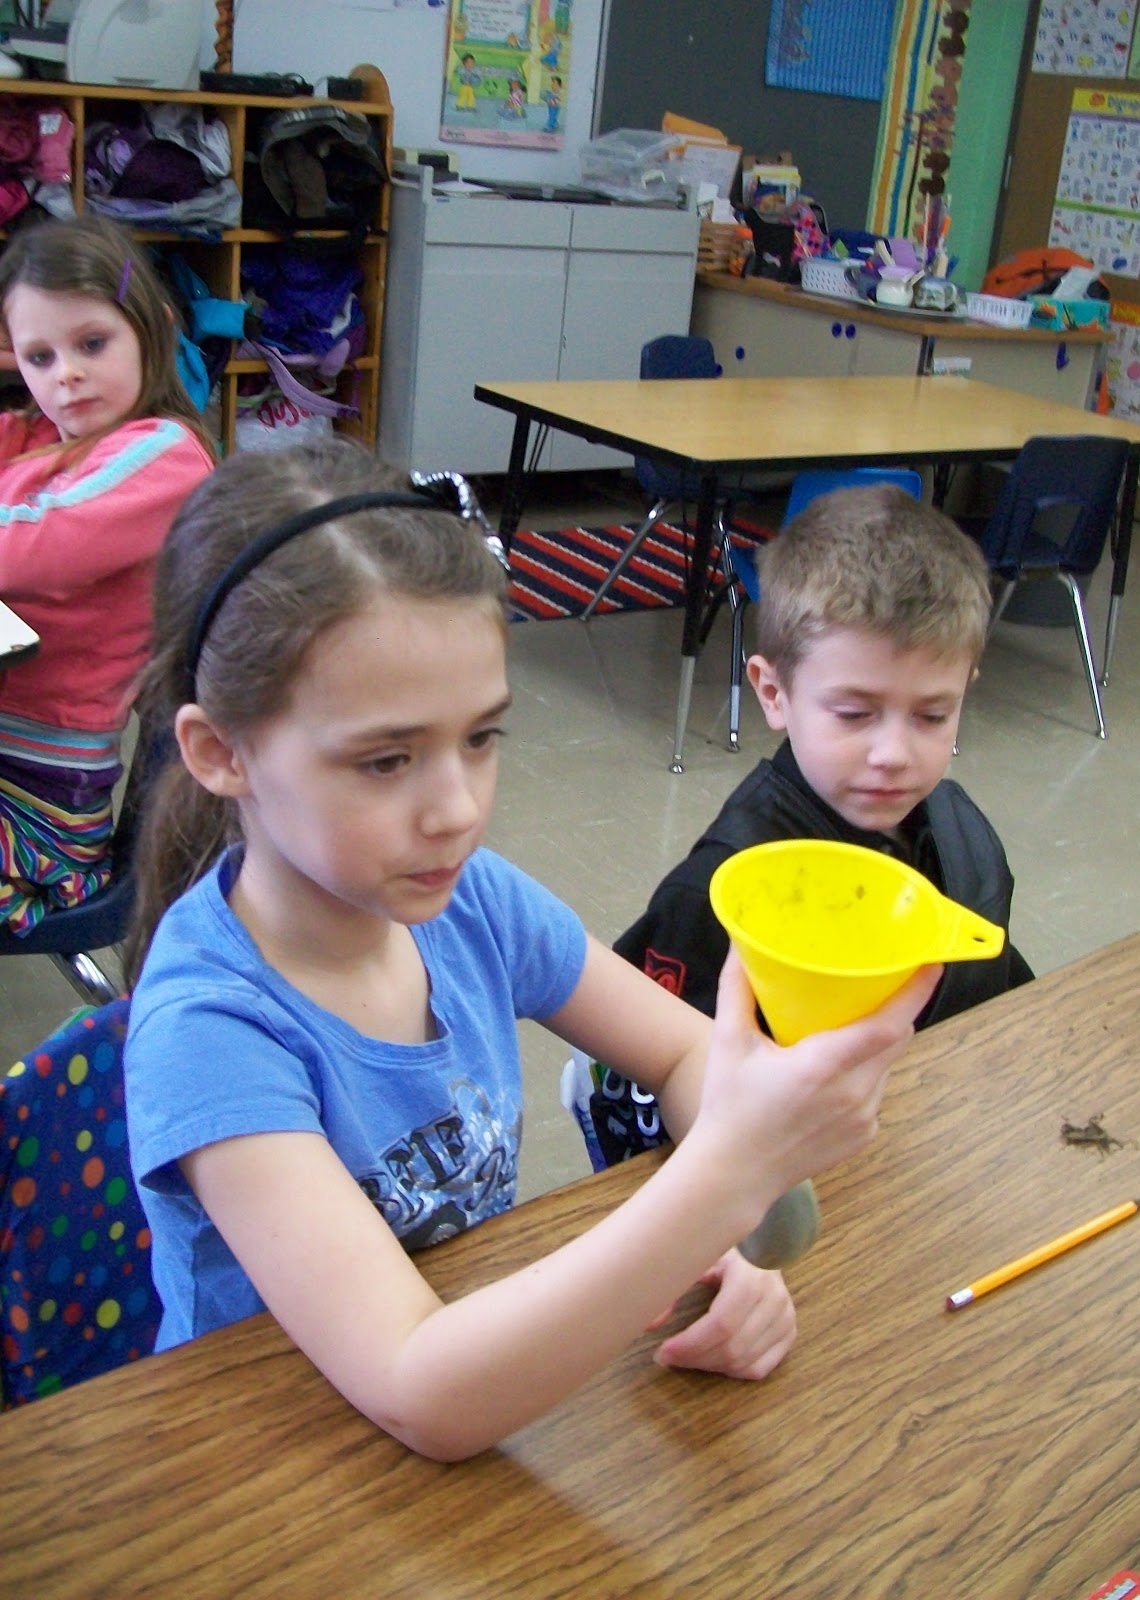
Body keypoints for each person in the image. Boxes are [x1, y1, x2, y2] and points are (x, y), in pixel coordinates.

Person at [122, 439, 938, 1462]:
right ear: (220, 752)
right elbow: (423, 1391)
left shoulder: (468, 905)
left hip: (471, 1402)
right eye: (386, 759)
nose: (458, 809)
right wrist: (721, 1183)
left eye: (483, 738)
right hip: (273, 1471)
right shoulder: (211, 1032)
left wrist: (721, 1239)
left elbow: (689, 1057)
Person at [584, 483, 1033, 1166]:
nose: (894, 754)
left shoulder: (965, 839)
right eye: (854, 714)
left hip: (926, 1148)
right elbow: (650, 1097)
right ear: (774, 693)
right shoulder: (718, 893)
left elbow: (1005, 1007)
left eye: (932, 715)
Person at [0, 213, 215, 933]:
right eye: (39, 356)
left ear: (151, 329)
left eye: (92, 343)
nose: (66, 375)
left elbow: (38, 545)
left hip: (39, 812)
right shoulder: (33, 438)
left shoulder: (163, 454)